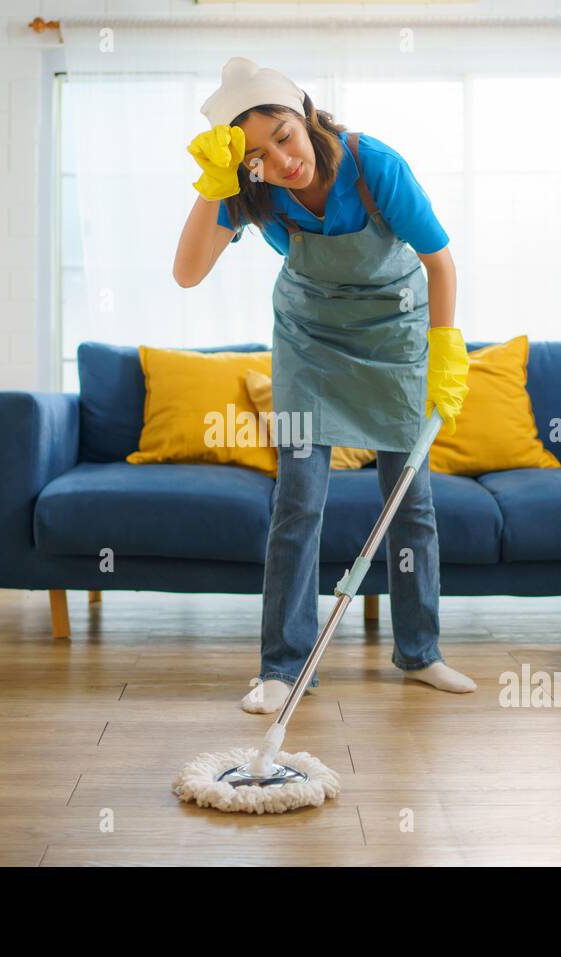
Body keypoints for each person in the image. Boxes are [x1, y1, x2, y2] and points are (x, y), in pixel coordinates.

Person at [173, 57, 475, 714]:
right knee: (298, 503)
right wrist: (215, 182)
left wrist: (445, 350)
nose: (281, 160)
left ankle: (421, 651)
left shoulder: (372, 166)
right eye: (256, 153)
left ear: (305, 115)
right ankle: (284, 667)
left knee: (411, 503)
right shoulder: (248, 186)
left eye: (283, 134)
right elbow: (188, 271)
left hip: (393, 335)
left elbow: (440, 262)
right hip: (310, 340)